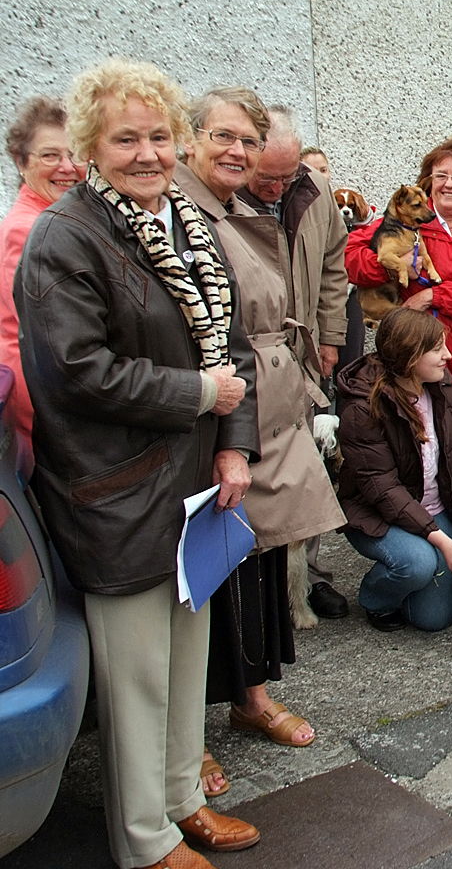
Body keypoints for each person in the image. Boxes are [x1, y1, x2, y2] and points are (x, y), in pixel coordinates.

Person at [17, 57, 261, 869]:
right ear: (92, 145)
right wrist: (200, 396)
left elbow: (232, 349)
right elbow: (78, 373)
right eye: (126, 139)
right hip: (114, 493)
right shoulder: (64, 236)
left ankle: (183, 799)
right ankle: (145, 839)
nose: (148, 153)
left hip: (193, 486)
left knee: (187, 659)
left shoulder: (186, 223)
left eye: (159, 135)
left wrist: (234, 445)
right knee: (138, 679)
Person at [174, 87, 345, 795]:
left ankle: (251, 695)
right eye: (225, 138)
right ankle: (185, 736)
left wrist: (321, 345)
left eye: (247, 140)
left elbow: (325, 274)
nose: (238, 153)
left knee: (258, 562)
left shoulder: (235, 206)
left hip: (264, 401)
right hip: (212, 416)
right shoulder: (178, 210)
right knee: (202, 575)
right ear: (190, 139)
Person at [239, 105, 352, 619]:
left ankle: (310, 578)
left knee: (308, 468)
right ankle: (260, 584)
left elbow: (333, 267)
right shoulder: (223, 198)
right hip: (251, 357)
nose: (276, 187)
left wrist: (331, 336)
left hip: (303, 353)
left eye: (287, 177)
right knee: (257, 473)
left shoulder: (316, 189)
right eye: (267, 177)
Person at [337, 308, 452, 630]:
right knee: (417, 564)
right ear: (410, 356)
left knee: (434, 619)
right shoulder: (362, 410)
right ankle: (376, 598)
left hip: (431, 509)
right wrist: (439, 538)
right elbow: (383, 489)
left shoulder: (445, 390)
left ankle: (412, 583)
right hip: (377, 515)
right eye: (437, 349)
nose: (448, 356)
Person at [346, 138, 452, 455]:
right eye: (441, 175)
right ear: (428, 181)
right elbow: (351, 259)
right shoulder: (404, 223)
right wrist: (390, 267)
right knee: (413, 459)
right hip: (411, 365)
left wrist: (432, 296)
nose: (449, 184)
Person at [2, 97, 81, 447]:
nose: (67, 167)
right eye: (50, 156)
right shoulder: (28, 230)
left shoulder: (58, 220)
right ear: (21, 163)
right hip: (43, 401)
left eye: (74, 154)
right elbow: (40, 331)